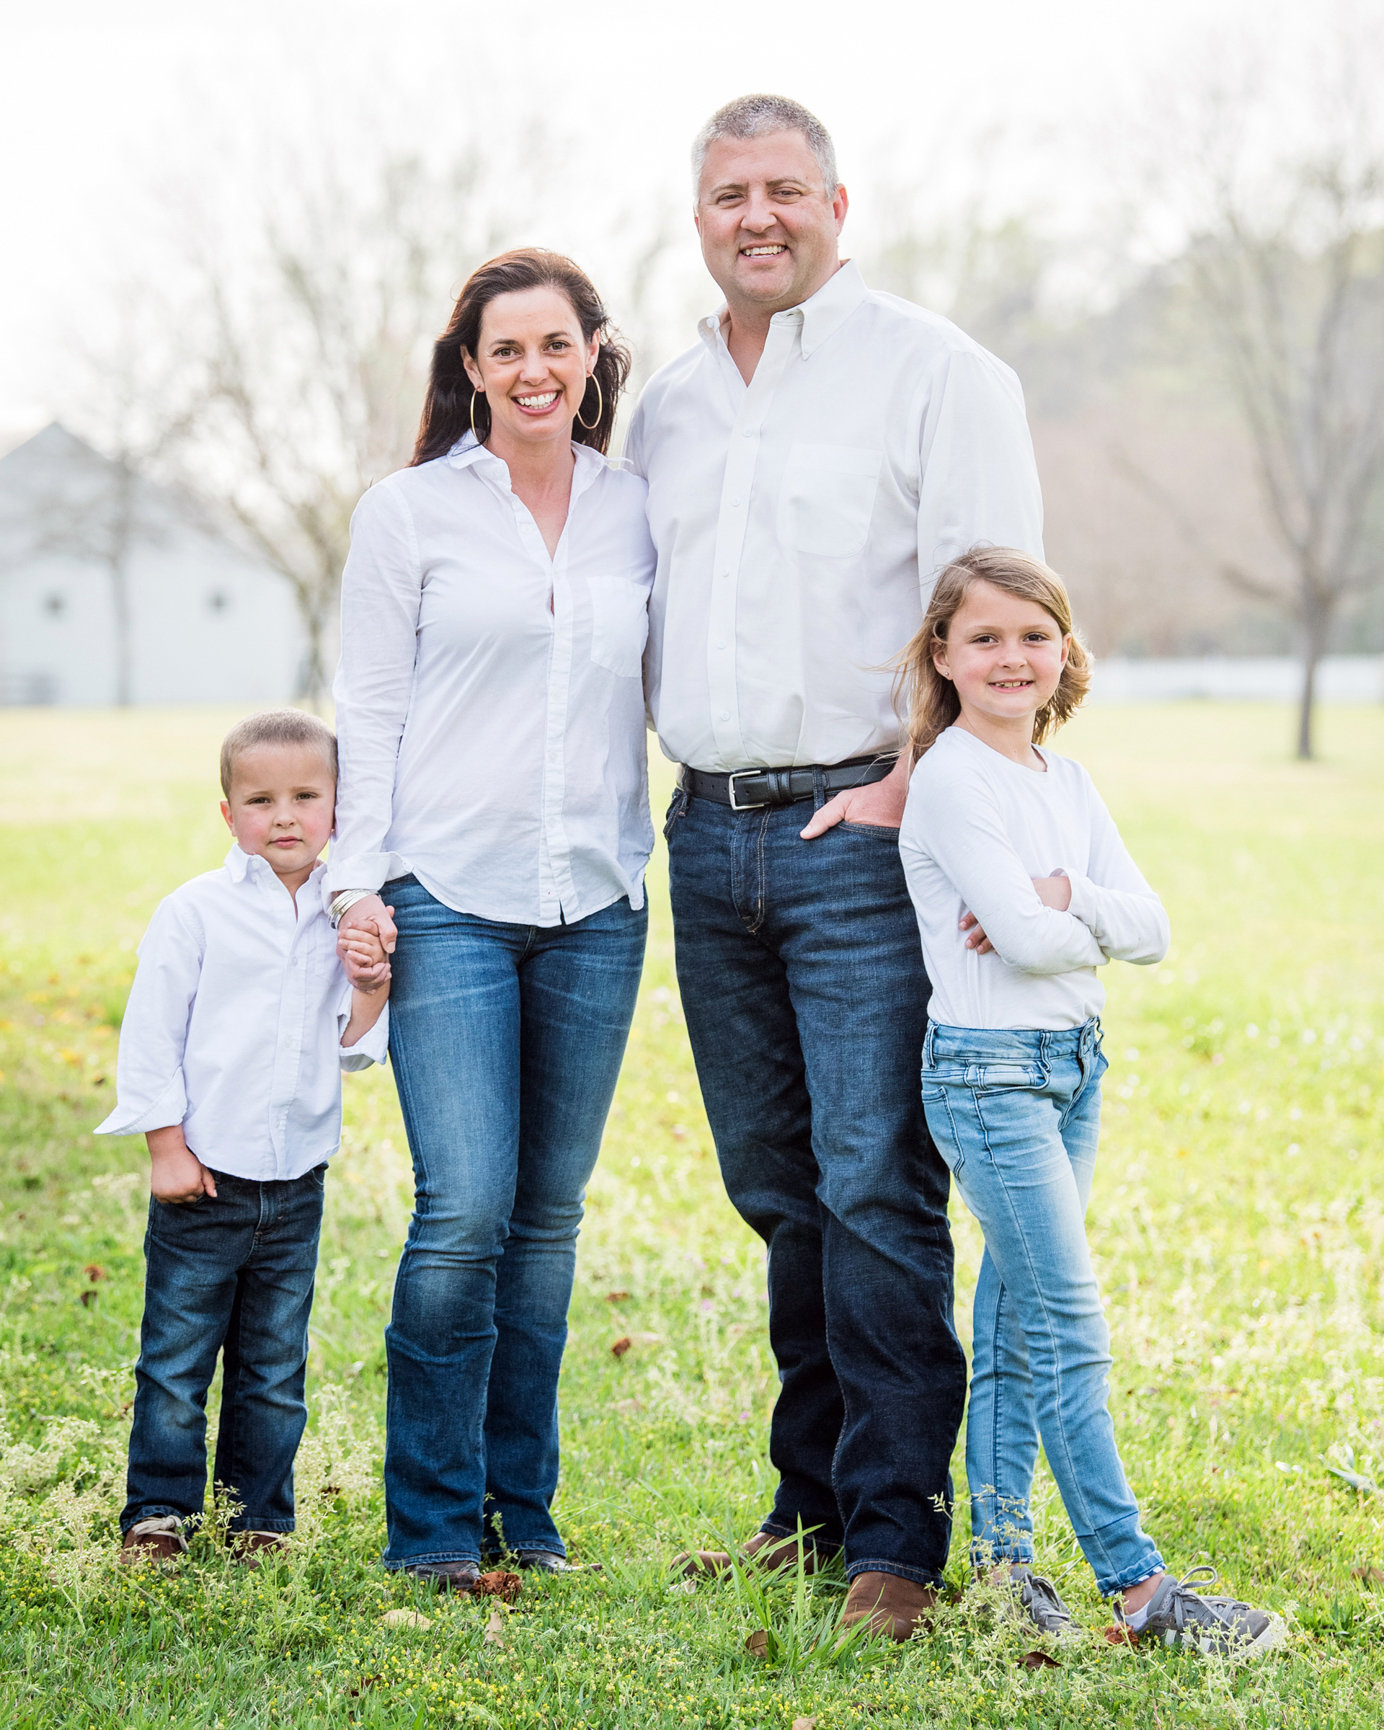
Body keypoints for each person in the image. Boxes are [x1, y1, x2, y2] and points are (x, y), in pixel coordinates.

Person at [625, 94, 1044, 1636]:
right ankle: (807, 1507)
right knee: (779, 1187)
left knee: (874, 1180)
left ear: (838, 205)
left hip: (862, 832)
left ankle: (896, 1541)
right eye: (730, 194)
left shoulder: (937, 372)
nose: (759, 216)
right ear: (699, 219)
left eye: (786, 190)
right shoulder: (666, 405)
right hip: (708, 829)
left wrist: (913, 789)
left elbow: (997, 612)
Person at [328, 250, 654, 1590]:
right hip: (445, 894)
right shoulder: (409, 512)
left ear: (590, 357)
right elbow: (368, 707)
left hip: (597, 899)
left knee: (547, 1219)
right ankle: (431, 1525)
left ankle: (526, 1510)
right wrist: (354, 882)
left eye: (555, 345)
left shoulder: (638, 507)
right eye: (505, 348)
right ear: (470, 366)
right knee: (464, 1208)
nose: (532, 370)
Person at [897, 546, 1283, 1656]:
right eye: (984, 637)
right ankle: (1142, 1590)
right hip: (990, 1076)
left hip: (1073, 1067)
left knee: (1018, 1325)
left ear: (1064, 650)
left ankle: (1002, 1569)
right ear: (942, 654)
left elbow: (1152, 927)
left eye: (1034, 635)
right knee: (1069, 1327)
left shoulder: (1064, 784)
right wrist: (1072, 919)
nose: (1011, 656)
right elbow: (1021, 943)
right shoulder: (953, 778)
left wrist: (1065, 894)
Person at [96, 709, 391, 1565]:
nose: (285, 817)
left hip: (296, 1183)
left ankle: (259, 1518)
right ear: (229, 814)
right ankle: (158, 1512)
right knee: (176, 1361)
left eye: (306, 797)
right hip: (205, 1179)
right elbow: (151, 1036)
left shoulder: (345, 923)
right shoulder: (196, 912)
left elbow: (353, 1046)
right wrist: (165, 1147)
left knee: (273, 1366)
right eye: (261, 801)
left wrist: (370, 983)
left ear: (339, 809)